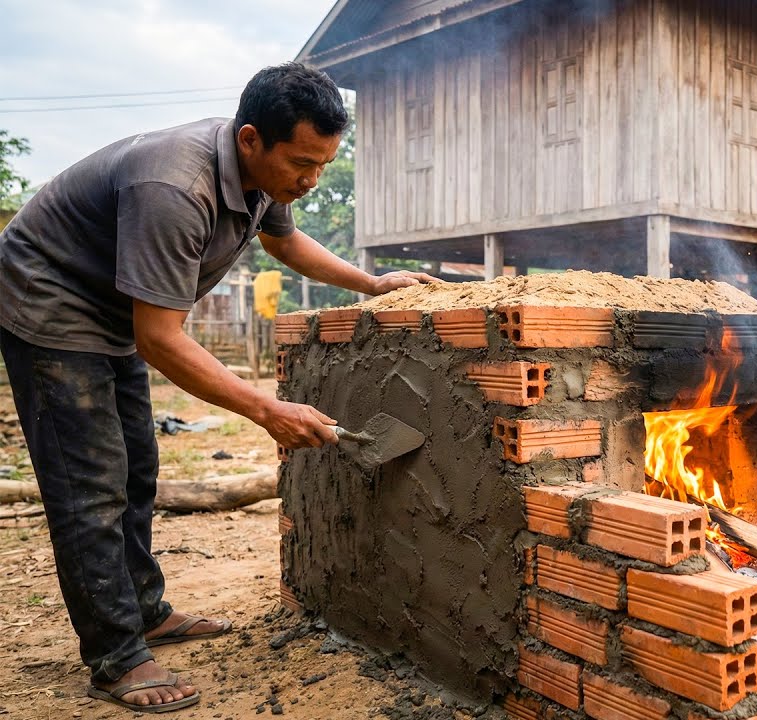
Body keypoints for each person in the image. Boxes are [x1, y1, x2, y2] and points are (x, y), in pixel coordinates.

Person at [0, 63, 436, 713]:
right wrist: (266, 408)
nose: (311, 182)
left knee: (137, 469)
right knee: (89, 481)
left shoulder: (264, 175)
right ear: (251, 139)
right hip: (51, 303)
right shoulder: (175, 186)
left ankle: (144, 612)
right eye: (302, 164)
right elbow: (160, 339)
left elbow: (286, 248)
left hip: (113, 313)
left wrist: (372, 286)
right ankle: (116, 654)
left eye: (323, 164)